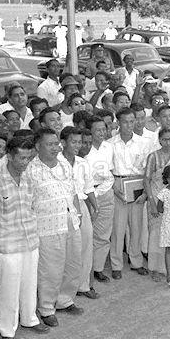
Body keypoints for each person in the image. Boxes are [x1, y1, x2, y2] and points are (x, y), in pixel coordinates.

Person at [0, 137, 50, 339]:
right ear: (9, 156)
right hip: (7, 244)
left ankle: (29, 318)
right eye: (21, 157)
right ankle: (7, 330)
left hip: (30, 240)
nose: (25, 162)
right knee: (9, 288)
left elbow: (34, 208)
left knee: (29, 282)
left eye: (29, 158)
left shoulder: (30, 180)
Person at [25, 128, 83, 328]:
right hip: (47, 226)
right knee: (51, 269)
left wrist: (78, 213)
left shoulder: (64, 163)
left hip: (70, 219)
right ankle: (47, 308)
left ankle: (65, 299)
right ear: (37, 146)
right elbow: (28, 203)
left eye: (56, 143)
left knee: (73, 262)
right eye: (49, 144)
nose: (55, 147)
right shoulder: (30, 170)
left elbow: (72, 190)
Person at [109, 106, 152, 278]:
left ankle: (136, 261)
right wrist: (114, 187)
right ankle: (116, 265)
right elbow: (107, 170)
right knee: (118, 229)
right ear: (118, 123)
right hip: (118, 183)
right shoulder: (110, 144)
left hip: (137, 184)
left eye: (131, 121)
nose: (129, 125)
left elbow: (148, 169)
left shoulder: (144, 143)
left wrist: (145, 192)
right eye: (125, 122)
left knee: (136, 227)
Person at [59, 126, 99, 300]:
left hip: (81, 205)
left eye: (79, 142)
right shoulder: (57, 162)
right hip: (62, 208)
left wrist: (95, 206)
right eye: (73, 142)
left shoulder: (82, 162)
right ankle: (62, 293)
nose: (77, 145)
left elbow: (88, 187)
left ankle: (83, 285)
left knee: (85, 247)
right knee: (67, 252)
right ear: (63, 143)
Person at [144, 128, 170, 281]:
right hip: (155, 197)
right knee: (156, 234)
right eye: (165, 139)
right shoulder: (153, 157)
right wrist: (152, 203)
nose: (168, 142)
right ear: (159, 140)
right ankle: (155, 269)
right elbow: (146, 179)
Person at [84, 116, 115, 283]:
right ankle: (85, 270)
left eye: (104, 129)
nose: (102, 133)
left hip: (105, 191)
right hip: (87, 194)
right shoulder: (83, 148)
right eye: (98, 130)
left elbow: (109, 171)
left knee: (103, 233)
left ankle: (98, 268)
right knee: (87, 233)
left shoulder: (108, 147)